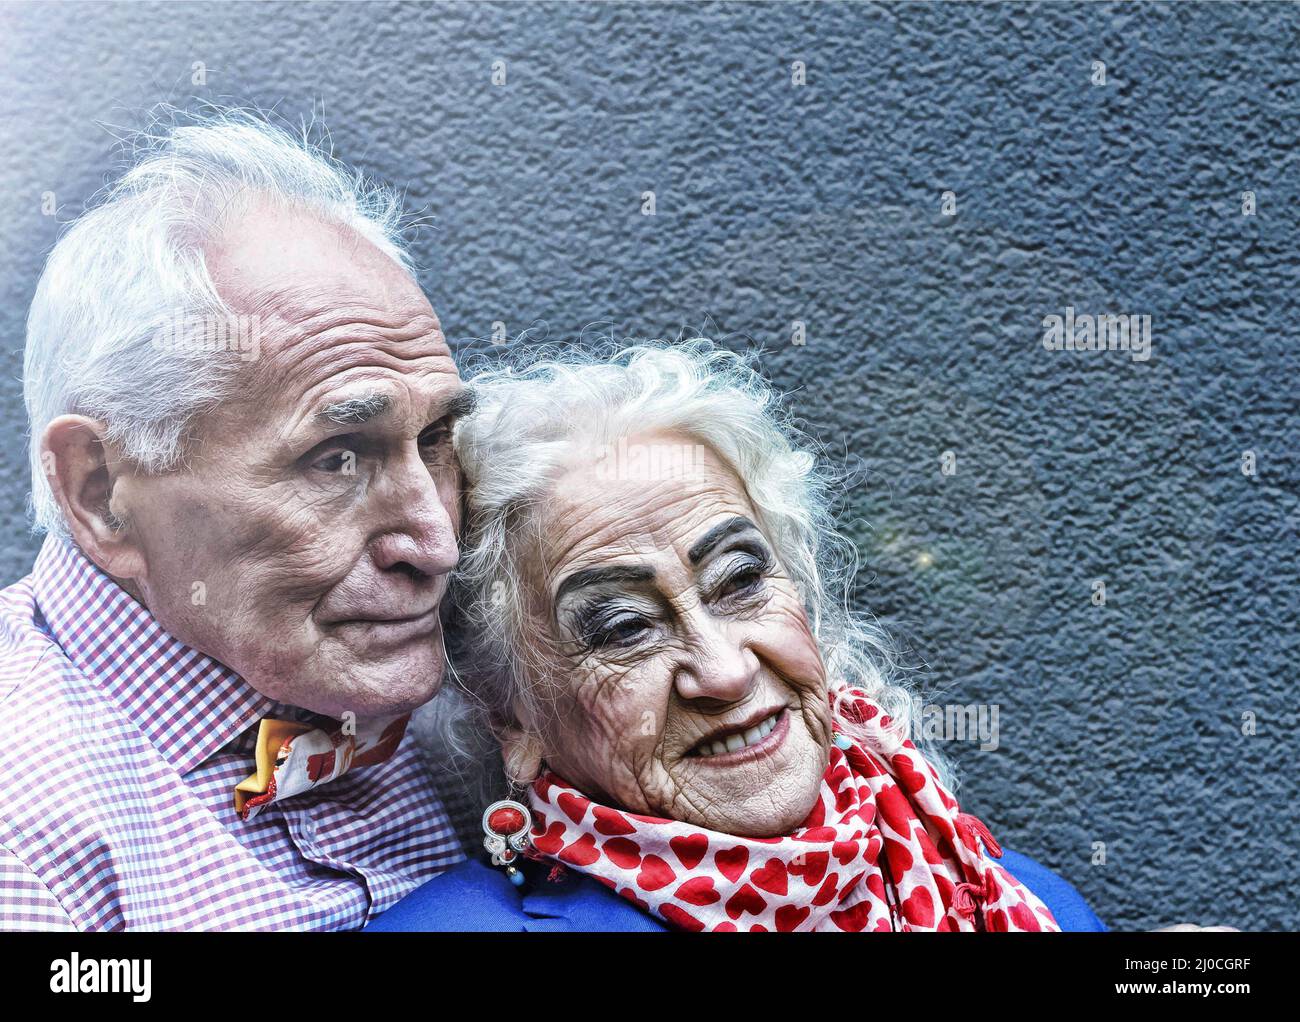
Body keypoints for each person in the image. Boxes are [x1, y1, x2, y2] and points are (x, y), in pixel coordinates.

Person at [367, 343, 1106, 932]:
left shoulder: (1025, 902)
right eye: (624, 628)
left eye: (740, 580)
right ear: (515, 720)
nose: (722, 672)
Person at [0, 108, 470, 930]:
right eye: (336, 458)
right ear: (102, 493)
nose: (437, 544)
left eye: (435, 439)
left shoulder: (476, 681)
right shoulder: (28, 839)